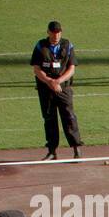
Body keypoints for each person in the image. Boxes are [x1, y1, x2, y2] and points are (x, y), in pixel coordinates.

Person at [31, 21, 82, 160]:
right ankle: (52, 151)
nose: (56, 35)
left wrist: (58, 82)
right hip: (46, 89)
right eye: (53, 32)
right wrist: (49, 82)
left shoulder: (67, 45)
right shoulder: (40, 46)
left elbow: (71, 68)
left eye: (58, 32)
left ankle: (77, 149)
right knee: (49, 119)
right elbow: (36, 69)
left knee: (69, 117)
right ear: (48, 32)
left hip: (63, 88)